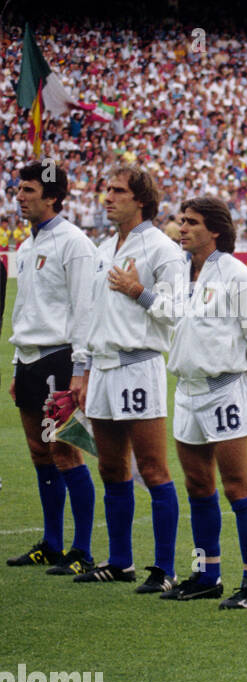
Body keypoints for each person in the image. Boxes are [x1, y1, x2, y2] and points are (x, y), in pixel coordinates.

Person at [70, 164, 186, 594]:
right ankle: (120, 561)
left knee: (153, 468)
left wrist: (140, 292)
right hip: (101, 368)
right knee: (112, 468)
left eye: (117, 190)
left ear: (141, 199)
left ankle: (165, 568)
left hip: (139, 364)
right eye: (106, 189)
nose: (107, 197)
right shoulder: (103, 248)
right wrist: (80, 371)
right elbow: (89, 315)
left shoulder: (162, 249)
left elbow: (177, 311)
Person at [162, 196, 247, 608]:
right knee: (197, 485)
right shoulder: (182, 274)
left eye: (191, 222)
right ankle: (207, 574)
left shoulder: (238, 277)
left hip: (225, 390)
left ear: (216, 231)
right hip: (187, 391)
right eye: (181, 221)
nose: (182, 227)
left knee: (237, 487)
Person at [6, 162, 99, 576]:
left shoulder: (74, 243)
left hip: (58, 359)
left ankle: (81, 550)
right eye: (19, 189)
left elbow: (85, 310)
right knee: (39, 452)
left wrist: (80, 368)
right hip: (28, 360)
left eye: (28, 190)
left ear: (52, 197)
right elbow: (24, 308)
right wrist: (14, 365)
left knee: (64, 451)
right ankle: (52, 543)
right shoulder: (26, 247)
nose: (20, 196)